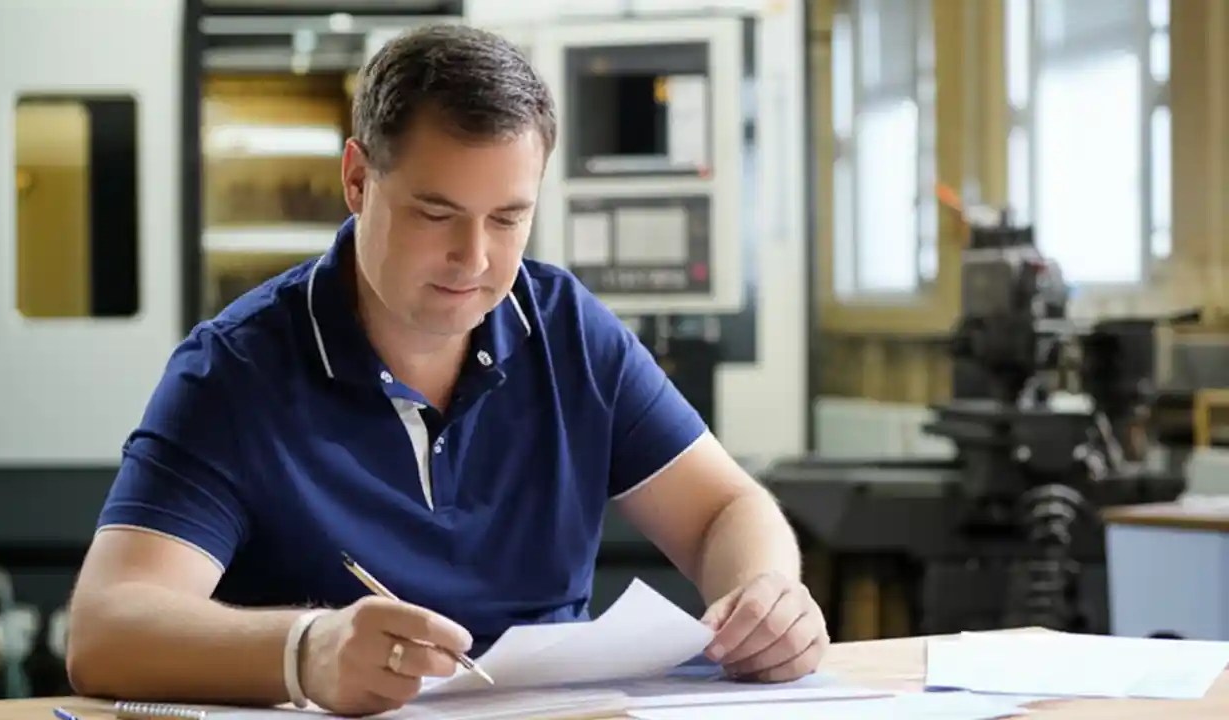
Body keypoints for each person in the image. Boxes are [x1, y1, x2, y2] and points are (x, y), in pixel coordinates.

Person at [65, 23, 827, 716]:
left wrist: (764, 593)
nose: (476, 260)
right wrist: (306, 652)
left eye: (509, 219)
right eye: (436, 215)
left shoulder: (568, 331)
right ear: (358, 180)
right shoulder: (234, 372)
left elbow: (725, 509)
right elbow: (106, 628)